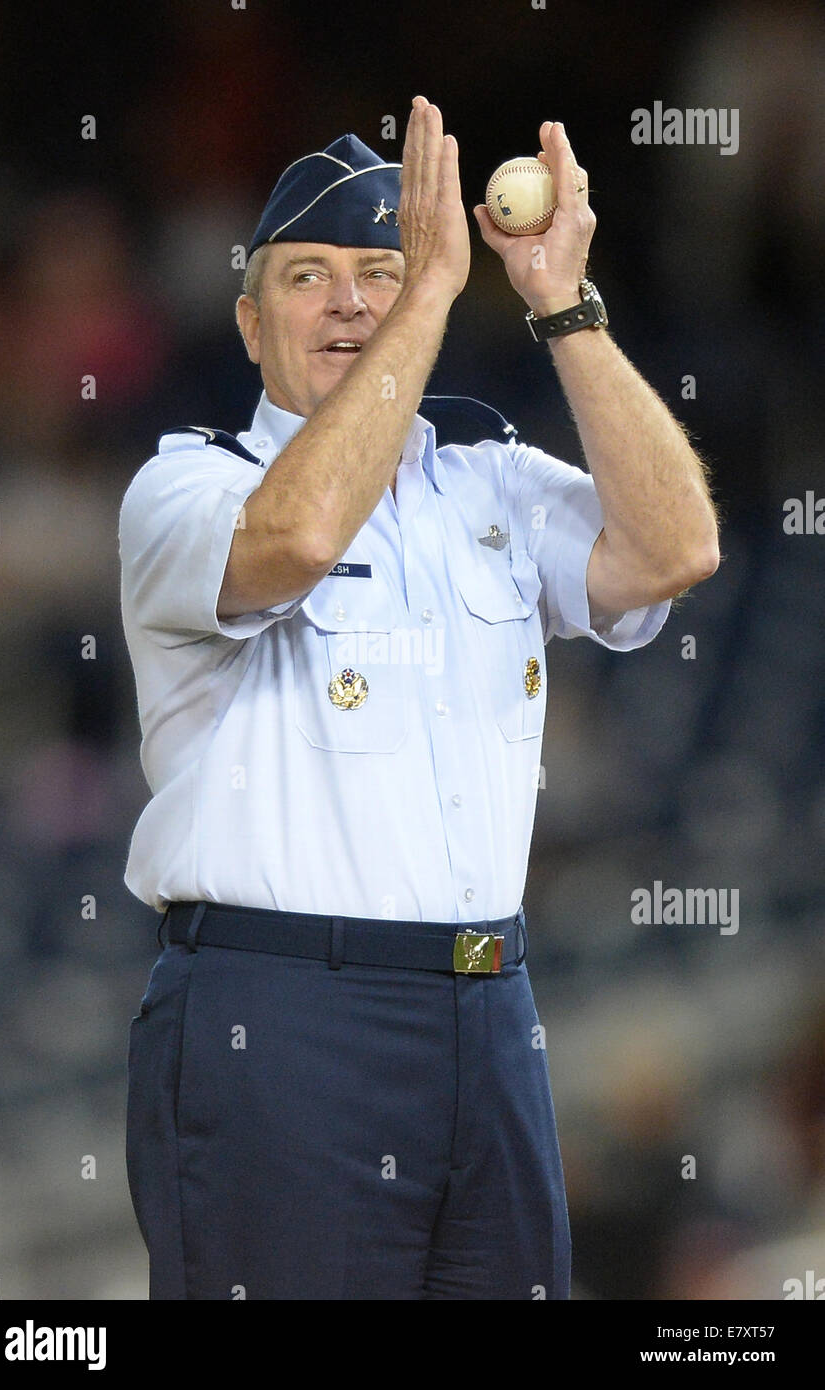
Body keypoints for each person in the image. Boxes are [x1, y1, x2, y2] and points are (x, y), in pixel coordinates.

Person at [119, 95, 719, 1301]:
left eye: (379, 272)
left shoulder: (486, 478)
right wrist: (432, 295)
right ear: (247, 322)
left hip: (493, 1011)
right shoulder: (184, 483)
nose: (350, 301)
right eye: (308, 276)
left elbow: (674, 550)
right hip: (279, 1016)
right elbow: (293, 539)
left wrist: (561, 302)